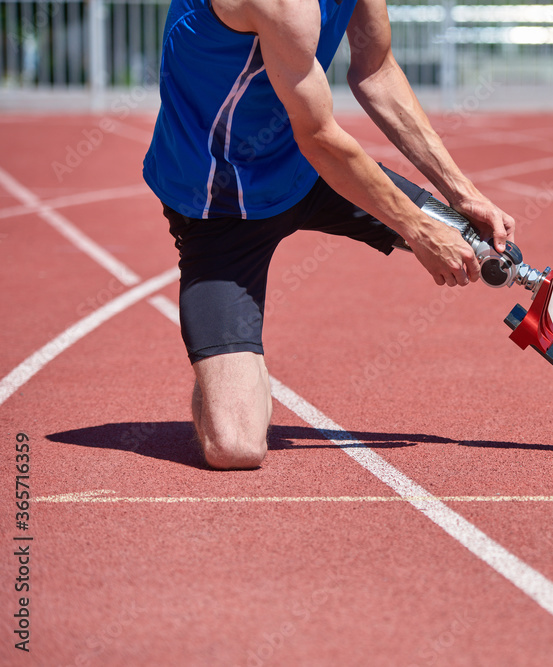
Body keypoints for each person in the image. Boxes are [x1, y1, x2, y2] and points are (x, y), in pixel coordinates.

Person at [143, 0, 515, 470]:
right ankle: (223, 359)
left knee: (486, 245)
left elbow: (376, 72)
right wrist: (419, 229)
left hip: (304, 169)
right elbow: (319, 136)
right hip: (219, 202)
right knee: (235, 447)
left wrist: (462, 195)